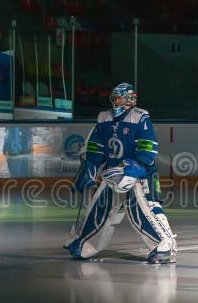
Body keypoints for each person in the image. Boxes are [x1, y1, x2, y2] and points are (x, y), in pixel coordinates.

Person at [64, 82, 177, 264]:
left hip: (141, 175)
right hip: (112, 174)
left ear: (130, 99)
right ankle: (85, 243)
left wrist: (133, 168)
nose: (116, 101)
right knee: (99, 206)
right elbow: (95, 147)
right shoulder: (103, 118)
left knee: (143, 209)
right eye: (115, 97)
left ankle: (165, 244)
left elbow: (147, 150)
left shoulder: (140, 117)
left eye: (120, 97)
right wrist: (90, 167)